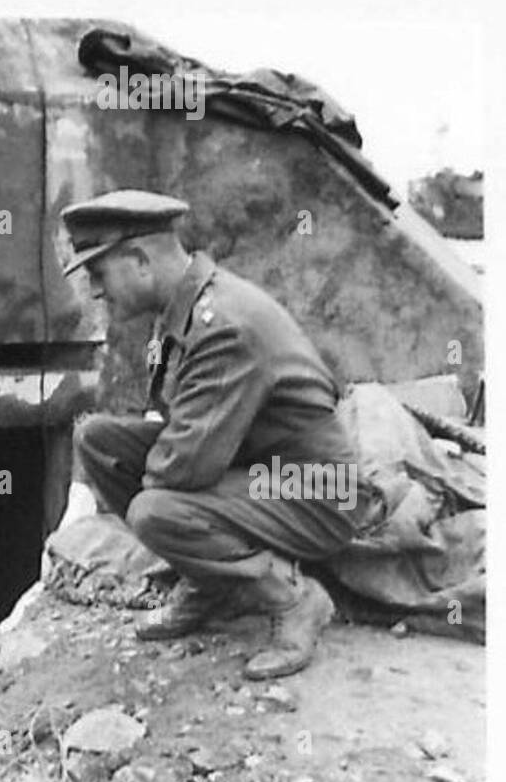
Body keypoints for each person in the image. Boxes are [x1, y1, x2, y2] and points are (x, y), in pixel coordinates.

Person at [62, 190, 373, 680]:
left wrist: (160, 480)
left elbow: (185, 467)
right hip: (253, 468)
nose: (96, 289)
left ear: (140, 260)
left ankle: (293, 599)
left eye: (98, 273)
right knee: (98, 442)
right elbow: (178, 424)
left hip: (316, 491)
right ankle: (209, 580)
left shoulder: (222, 323)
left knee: (156, 509)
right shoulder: (183, 308)